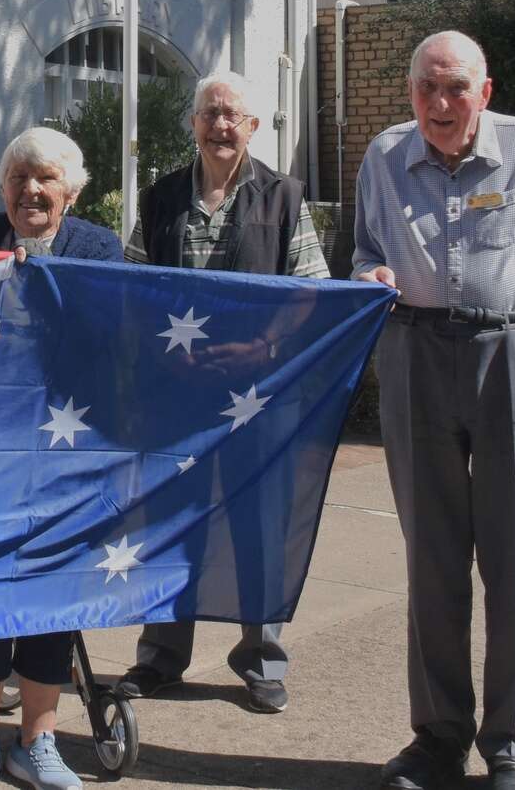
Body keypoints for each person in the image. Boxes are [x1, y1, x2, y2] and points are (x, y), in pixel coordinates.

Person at [354, 31, 515, 790]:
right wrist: (370, 270)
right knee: (431, 560)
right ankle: (437, 738)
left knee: (514, 557)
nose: (439, 103)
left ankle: (513, 747)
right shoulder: (384, 156)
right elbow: (364, 249)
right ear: (410, 92)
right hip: (416, 356)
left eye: (455, 87)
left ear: (485, 91)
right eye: (426, 88)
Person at [117, 69, 328, 716]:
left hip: (258, 398)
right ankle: (160, 656)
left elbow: (312, 290)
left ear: (254, 126)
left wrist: (263, 346)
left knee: (259, 525)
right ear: (193, 124)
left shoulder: (286, 199)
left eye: (233, 114)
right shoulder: (157, 200)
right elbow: (130, 286)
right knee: (172, 525)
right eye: (210, 113)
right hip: (175, 400)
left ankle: (262, 660)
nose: (220, 125)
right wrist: (158, 354)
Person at [0, 126, 122, 790]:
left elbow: (111, 337)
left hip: (66, 452)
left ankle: (39, 741)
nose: (30, 190)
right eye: (19, 178)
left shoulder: (97, 246)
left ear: (71, 192)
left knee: (52, 589)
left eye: (45, 178)